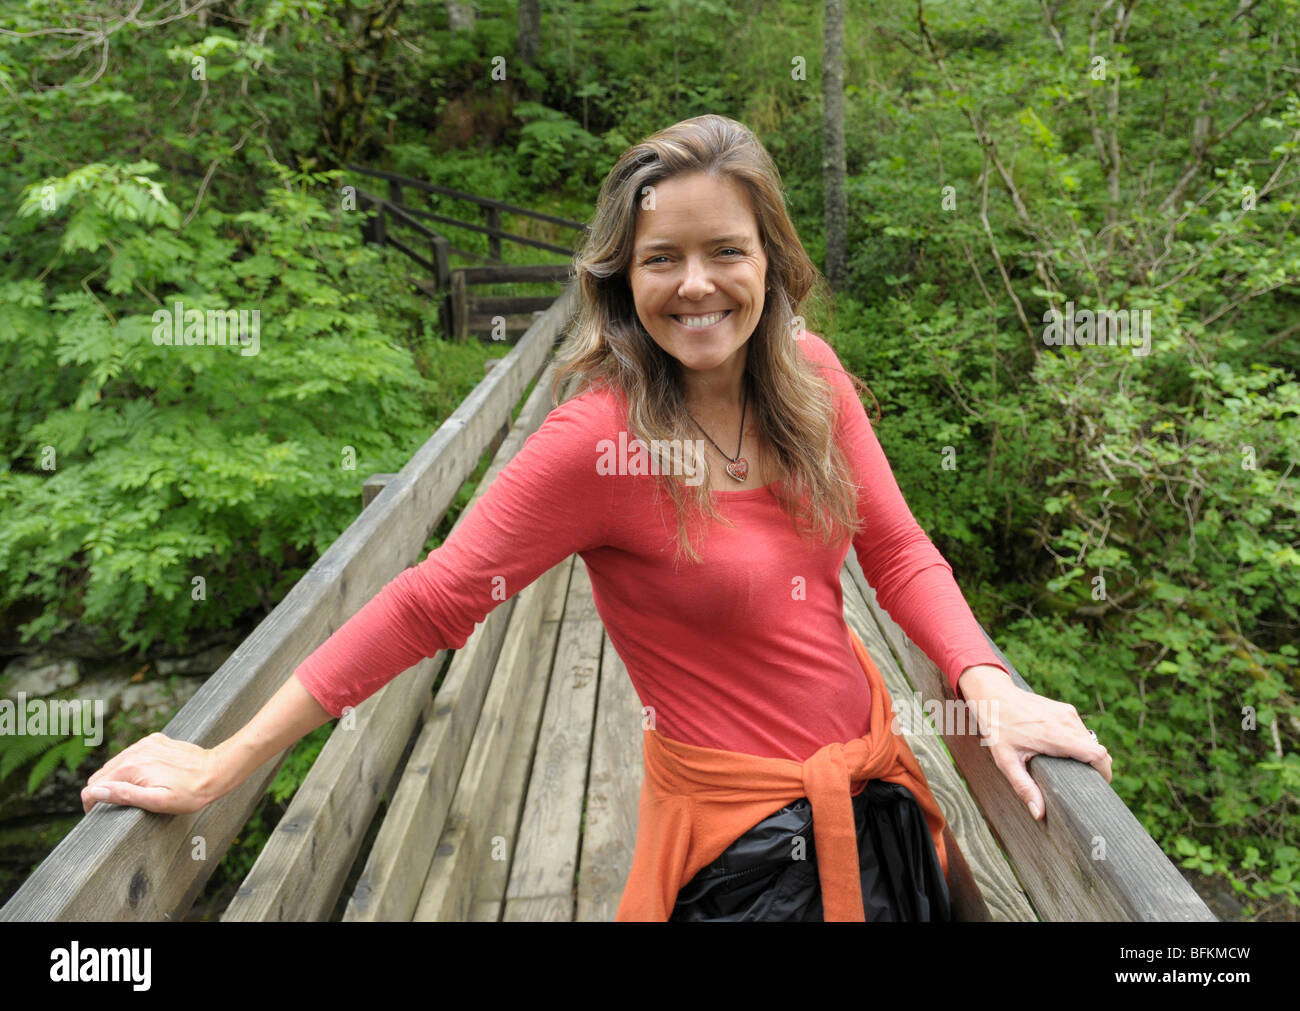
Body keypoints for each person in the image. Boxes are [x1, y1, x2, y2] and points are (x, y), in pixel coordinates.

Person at [80, 114, 1112, 921]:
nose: (696, 284)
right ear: (621, 276)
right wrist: (226, 763)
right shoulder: (593, 444)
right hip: (743, 850)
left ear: (771, 260)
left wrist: (988, 686)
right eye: (661, 258)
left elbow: (894, 547)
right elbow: (433, 600)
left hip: (879, 795)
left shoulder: (812, 378)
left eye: (725, 251)